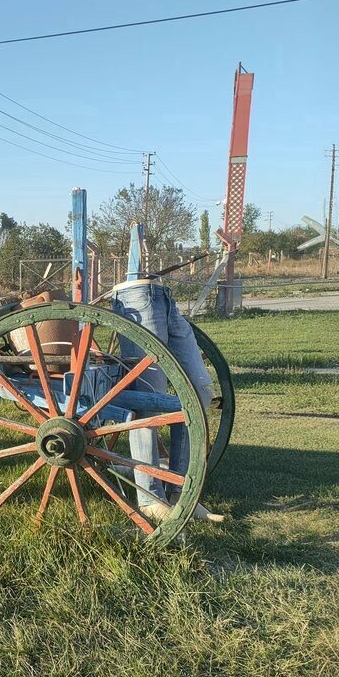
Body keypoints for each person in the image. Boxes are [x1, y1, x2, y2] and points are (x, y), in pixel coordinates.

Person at [111, 224, 224, 523]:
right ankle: (149, 496)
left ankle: (179, 491)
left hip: (165, 298)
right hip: (136, 299)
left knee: (199, 389)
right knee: (148, 402)